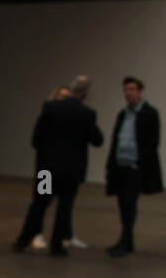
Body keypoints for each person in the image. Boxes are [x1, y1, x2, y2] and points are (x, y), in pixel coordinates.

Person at [12, 75, 102, 256]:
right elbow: (97, 140)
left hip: (47, 169)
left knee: (39, 203)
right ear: (85, 94)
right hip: (71, 172)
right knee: (64, 207)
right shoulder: (87, 114)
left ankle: (24, 239)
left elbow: (36, 139)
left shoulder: (50, 108)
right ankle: (57, 245)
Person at [105, 76, 162, 257]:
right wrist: (110, 164)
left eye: (131, 89)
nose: (128, 93)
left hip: (134, 166)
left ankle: (126, 240)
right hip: (120, 164)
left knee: (130, 203)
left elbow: (152, 142)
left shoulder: (149, 113)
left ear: (139, 91)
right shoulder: (123, 114)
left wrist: (140, 162)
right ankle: (125, 240)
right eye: (126, 90)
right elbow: (116, 140)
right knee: (122, 204)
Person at [30, 87, 86, 251]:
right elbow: (36, 140)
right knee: (41, 202)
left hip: (63, 172)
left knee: (65, 204)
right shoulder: (47, 117)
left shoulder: (70, 120)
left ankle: (66, 235)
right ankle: (36, 234)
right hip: (46, 171)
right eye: (61, 97)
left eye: (66, 97)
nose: (64, 100)